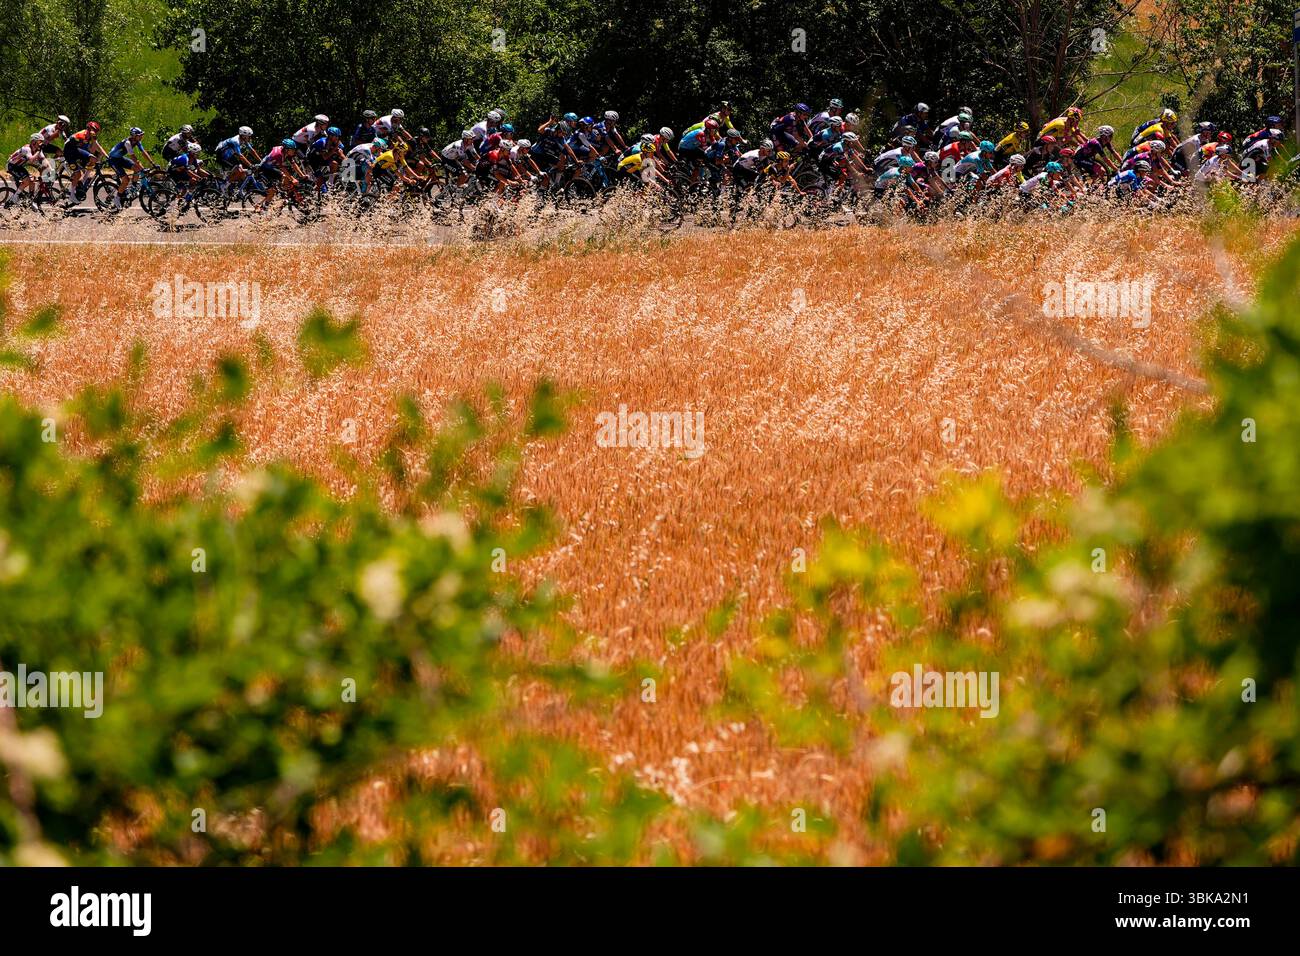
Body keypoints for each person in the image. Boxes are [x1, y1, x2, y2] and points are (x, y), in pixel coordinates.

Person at [106, 127, 156, 208]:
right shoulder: (127, 143)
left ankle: (133, 187)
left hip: (120, 158)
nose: (141, 137)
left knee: (137, 169)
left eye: (141, 135)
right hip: (113, 160)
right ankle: (117, 198)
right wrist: (142, 168)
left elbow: (143, 152)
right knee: (126, 180)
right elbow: (133, 157)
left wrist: (152, 163)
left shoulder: (137, 141)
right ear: (134, 136)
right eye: (139, 135)